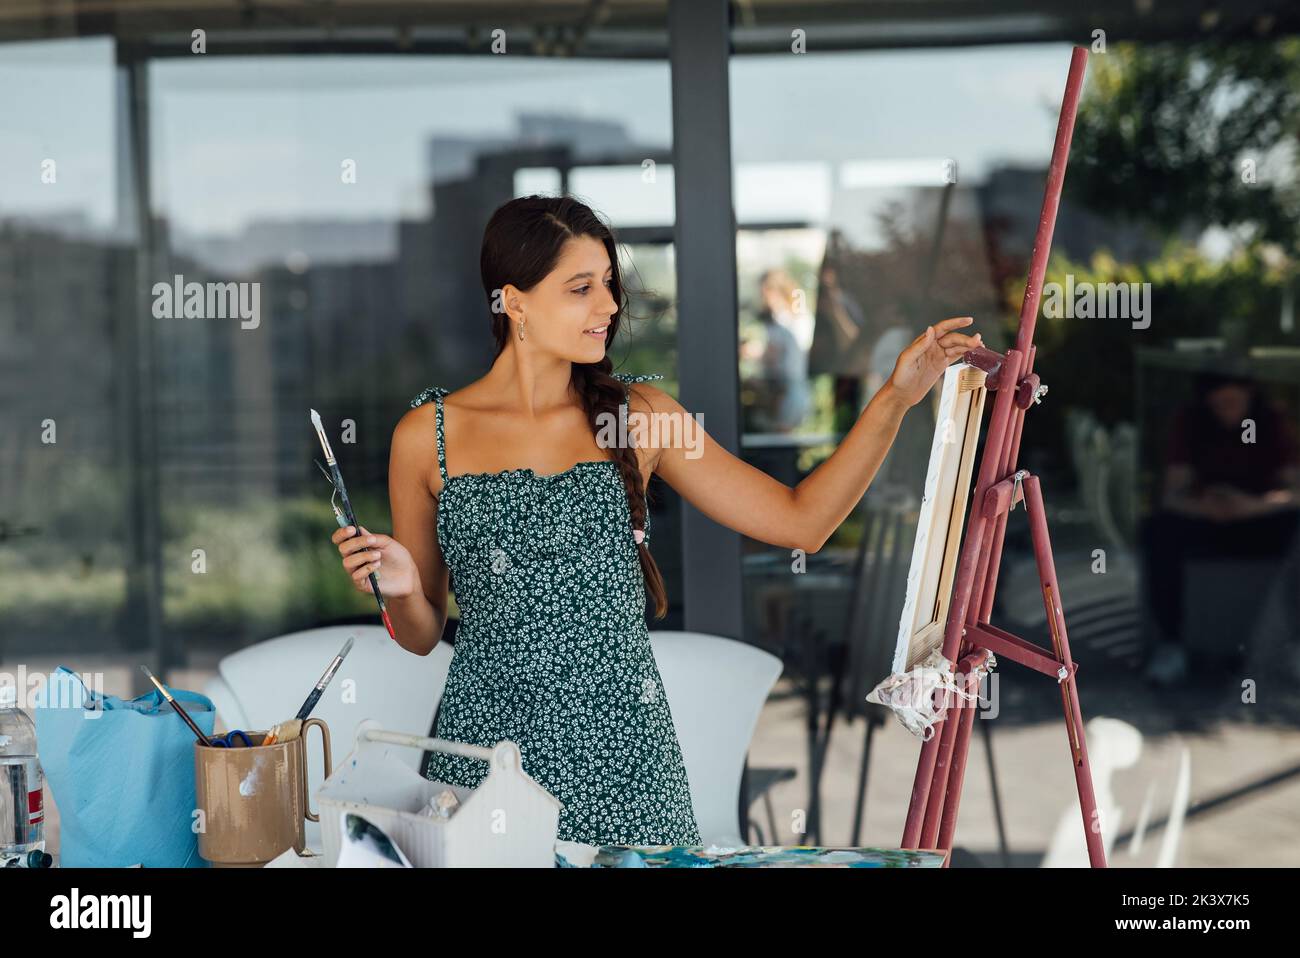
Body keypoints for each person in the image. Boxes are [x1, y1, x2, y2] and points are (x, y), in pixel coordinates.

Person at [331, 194, 981, 846]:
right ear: (514, 302)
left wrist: (895, 400)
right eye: (581, 287)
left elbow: (801, 522)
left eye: (609, 285)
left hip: (628, 770)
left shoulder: (642, 416)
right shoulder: (427, 436)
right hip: (481, 768)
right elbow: (420, 635)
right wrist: (403, 591)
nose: (609, 306)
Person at [1140, 371, 1300, 686]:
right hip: (1205, 521)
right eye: (1220, 401)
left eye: (1235, 400)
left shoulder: (1272, 422)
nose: (1228, 408)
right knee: (1159, 531)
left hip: (1262, 521)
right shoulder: (1190, 423)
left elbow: (1295, 490)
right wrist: (1209, 507)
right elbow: (1172, 495)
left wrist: (1253, 505)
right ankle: (1171, 645)